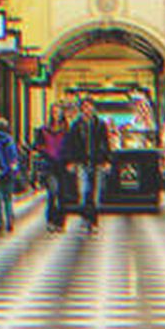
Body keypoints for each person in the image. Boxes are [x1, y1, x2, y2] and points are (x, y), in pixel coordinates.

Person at [63, 98, 112, 233]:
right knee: (83, 192)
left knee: (95, 194)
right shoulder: (76, 125)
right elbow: (70, 144)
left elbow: (105, 142)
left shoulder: (100, 124)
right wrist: (70, 161)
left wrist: (107, 160)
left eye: (89, 107)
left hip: (97, 162)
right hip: (81, 162)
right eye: (84, 107)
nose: (87, 110)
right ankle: (85, 219)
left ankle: (94, 221)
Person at [34, 103, 69, 232]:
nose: (55, 115)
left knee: (62, 194)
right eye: (53, 112)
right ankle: (51, 220)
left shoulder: (66, 131)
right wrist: (44, 151)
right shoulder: (44, 130)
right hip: (49, 165)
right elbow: (37, 145)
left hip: (63, 165)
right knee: (53, 192)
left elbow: (71, 146)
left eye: (58, 112)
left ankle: (61, 222)